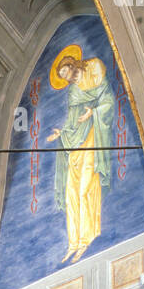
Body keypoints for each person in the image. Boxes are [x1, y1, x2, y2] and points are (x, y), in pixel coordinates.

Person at [47, 54, 115, 263]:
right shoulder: (73, 93)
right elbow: (71, 121)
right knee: (71, 195)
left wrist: (93, 113)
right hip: (75, 144)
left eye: (68, 72)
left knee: (85, 189)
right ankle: (74, 242)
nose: (69, 78)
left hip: (92, 138)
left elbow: (109, 102)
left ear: (73, 65)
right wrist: (62, 134)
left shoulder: (95, 73)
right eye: (65, 77)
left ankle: (88, 237)